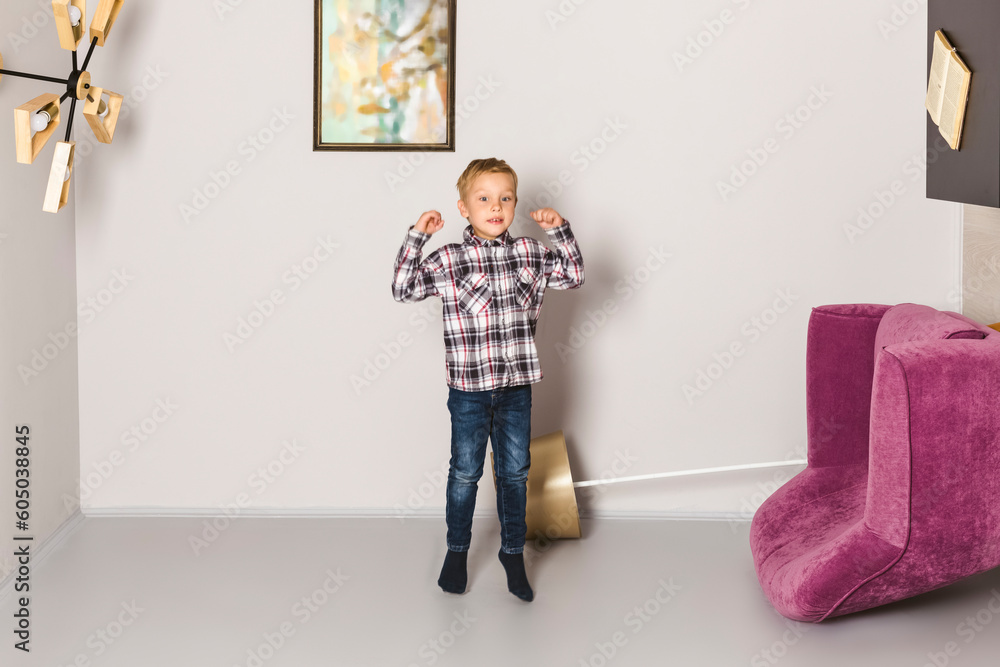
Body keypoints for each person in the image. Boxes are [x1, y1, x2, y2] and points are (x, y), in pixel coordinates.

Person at [391, 157, 584, 601]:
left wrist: (559, 229)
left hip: (516, 388)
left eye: (505, 198)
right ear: (463, 208)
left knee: (516, 473)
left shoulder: (531, 254)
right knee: (465, 473)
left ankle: (512, 553)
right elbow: (403, 288)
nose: (495, 207)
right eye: (483, 199)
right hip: (469, 393)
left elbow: (574, 276)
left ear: (514, 203)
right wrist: (418, 236)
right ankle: (456, 552)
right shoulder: (450, 259)